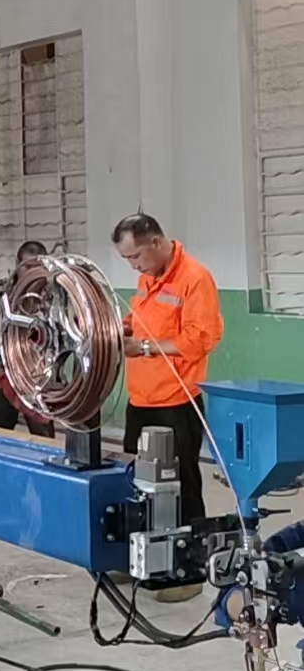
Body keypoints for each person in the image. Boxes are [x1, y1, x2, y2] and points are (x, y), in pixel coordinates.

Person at [112, 212, 223, 524]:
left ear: (156, 242)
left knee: (181, 484)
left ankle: (192, 543)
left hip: (176, 404)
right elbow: (141, 320)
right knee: (137, 479)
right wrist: (120, 328)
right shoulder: (147, 277)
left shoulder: (194, 278)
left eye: (135, 256)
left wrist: (144, 348)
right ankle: (144, 542)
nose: (133, 265)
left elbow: (200, 339)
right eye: (126, 259)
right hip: (140, 401)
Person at [0, 242, 55, 437]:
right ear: (17, 264)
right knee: (2, 432)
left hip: (36, 376)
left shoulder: (50, 294)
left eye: (37, 267)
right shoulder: (0, 289)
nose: (32, 272)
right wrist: (0, 308)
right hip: (1, 373)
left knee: (43, 435)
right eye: (27, 266)